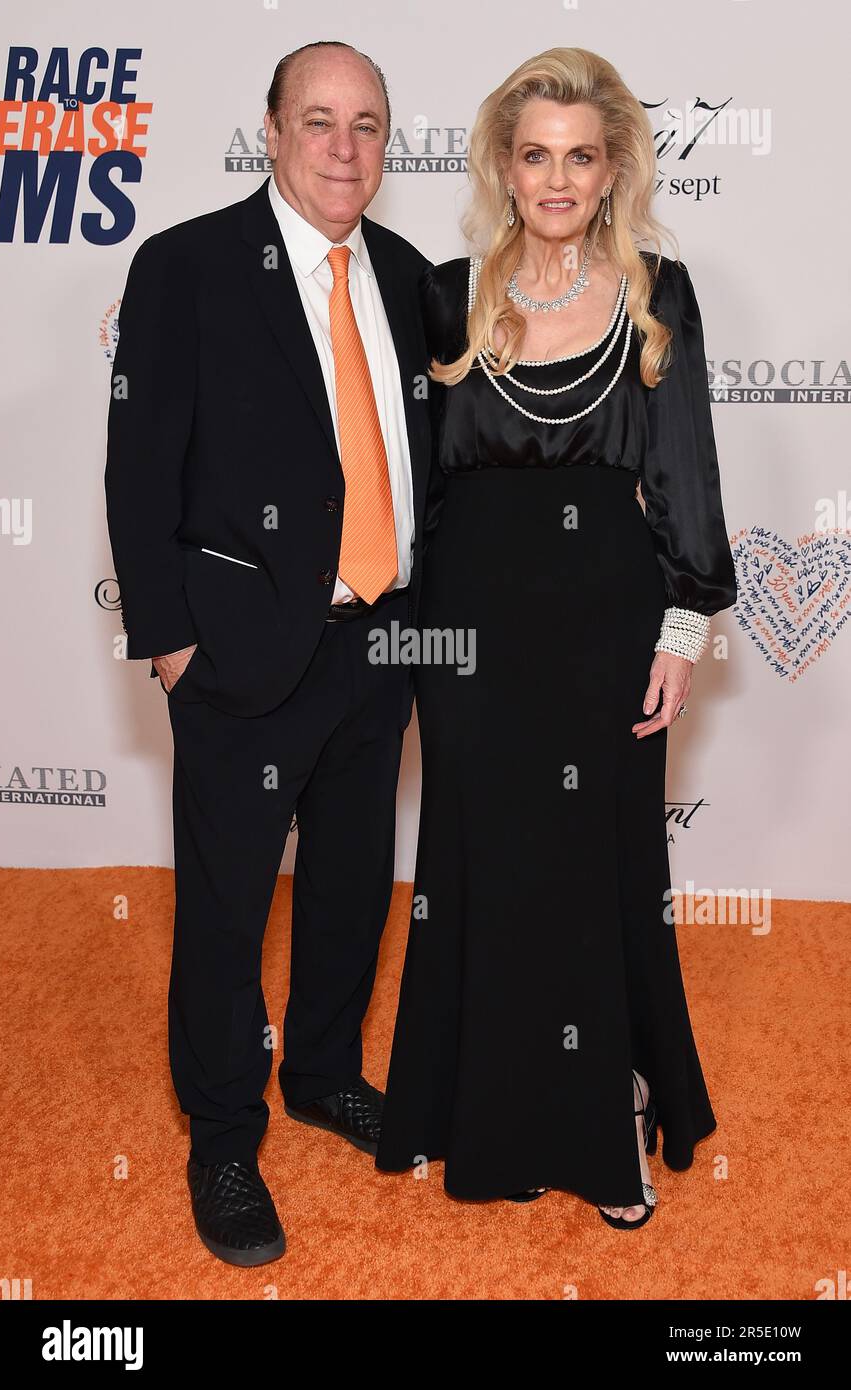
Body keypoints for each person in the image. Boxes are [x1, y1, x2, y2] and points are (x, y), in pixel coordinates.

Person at [375, 47, 738, 1229]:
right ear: (502, 164)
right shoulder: (449, 295)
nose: (556, 178)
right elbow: (411, 484)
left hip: (604, 614)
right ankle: (496, 1113)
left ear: (613, 166)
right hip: (471, 619)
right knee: (481, 860)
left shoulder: (657, 295)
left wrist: (683, 623)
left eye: (581, 156)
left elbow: (683, 466)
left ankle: (613, 1106)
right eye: (535, 155)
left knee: (604, 857)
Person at [105, 41, 435, 1266]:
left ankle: (324, 1074)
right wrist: (172, 640)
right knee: (230, 909)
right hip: (239, 653)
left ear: (387, 142)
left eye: (366, 125)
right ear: (271, 129)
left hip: (379, 643)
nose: (343, 147)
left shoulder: (407, 275)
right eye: (318, 121)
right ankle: (224, 1134)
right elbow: (137, 470)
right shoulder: (185, 266)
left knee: (353, 882)